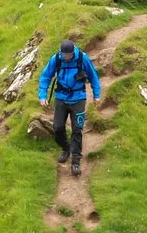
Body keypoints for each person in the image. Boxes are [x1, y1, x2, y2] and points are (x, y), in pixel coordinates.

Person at [35, 36, 102, 175]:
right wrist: (42, 95)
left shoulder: (82, 58)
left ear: (73, 52)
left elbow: (93, 76)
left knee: (77, 130)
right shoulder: (56, 59)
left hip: (78, 98)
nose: (66, 58)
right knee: (58, 128)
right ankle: (66, 148)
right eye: (64, 55)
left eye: (69, 55)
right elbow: (45, 76)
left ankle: (76, 162)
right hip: (61, 97)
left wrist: (96, 95)